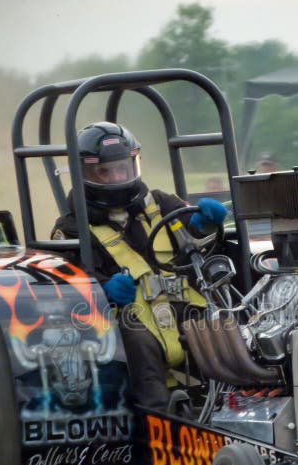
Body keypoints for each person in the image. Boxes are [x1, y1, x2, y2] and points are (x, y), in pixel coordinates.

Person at [52, 122, 228, 410]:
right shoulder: (71, 229)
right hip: (125, 317)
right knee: (138, 342)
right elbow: (67, 284)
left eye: (123, 168)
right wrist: (102, 289)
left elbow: (195, 234)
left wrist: (205, 222)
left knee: (230, 323)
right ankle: (160, 423)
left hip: (185, 306)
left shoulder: (160, 202)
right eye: (105, 172)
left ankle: (240, 408)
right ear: (84, 174)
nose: (118, 177)